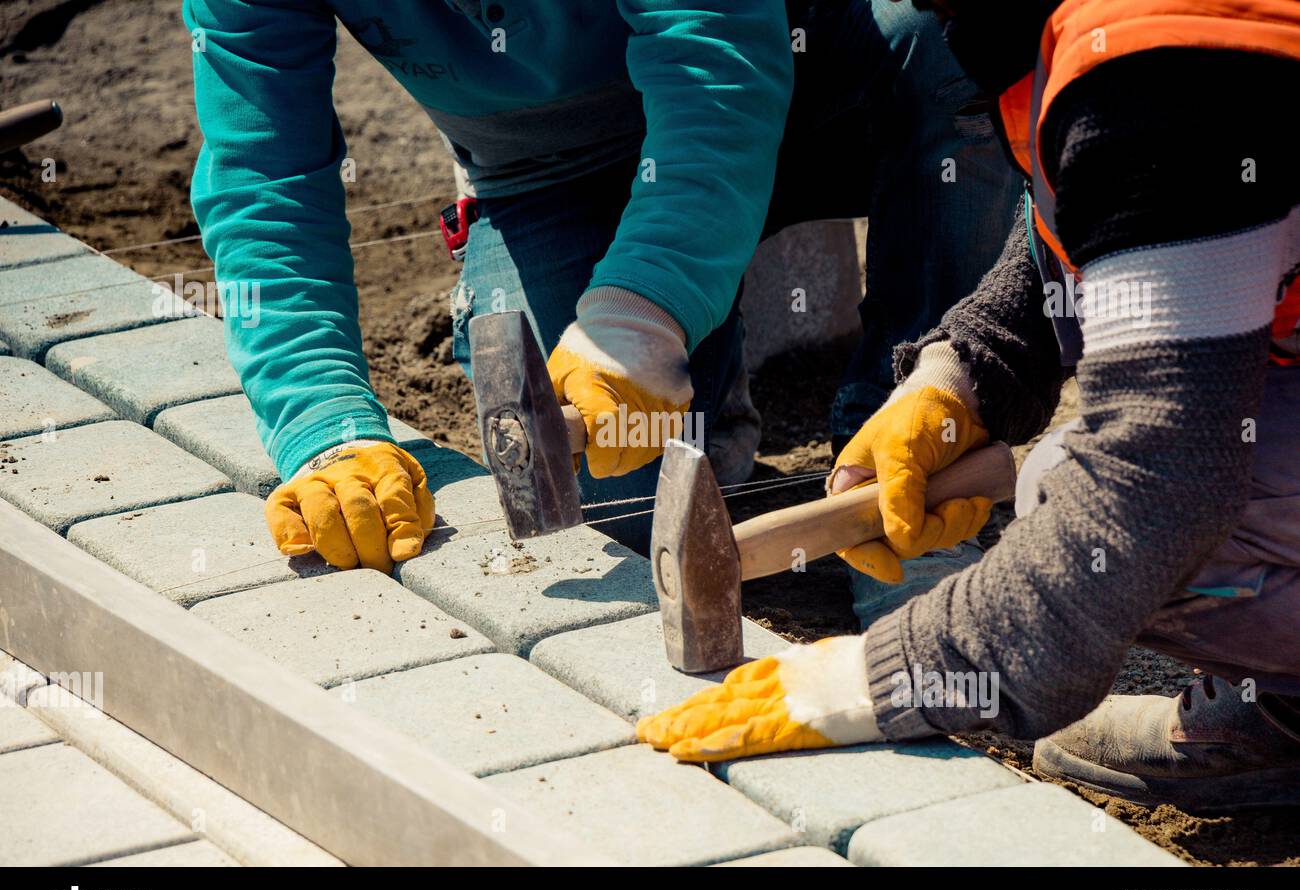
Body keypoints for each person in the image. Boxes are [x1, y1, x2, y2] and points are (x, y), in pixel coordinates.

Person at [640, 0, 1300, 811]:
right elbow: (1095, 217)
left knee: (1086, 500)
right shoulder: (1068, 28)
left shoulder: (1156, 54)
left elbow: (1161, 480)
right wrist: (961, 377)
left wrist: (898, 669)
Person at [184, 0, 1017, 575]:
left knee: (949, 50)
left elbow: (711, 56)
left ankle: (903, 458)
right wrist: (324, 422)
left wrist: (639, 312)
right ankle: (701, 381)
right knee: (616, 516)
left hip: (802, 71)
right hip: (552, 176)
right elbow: (265, 173)